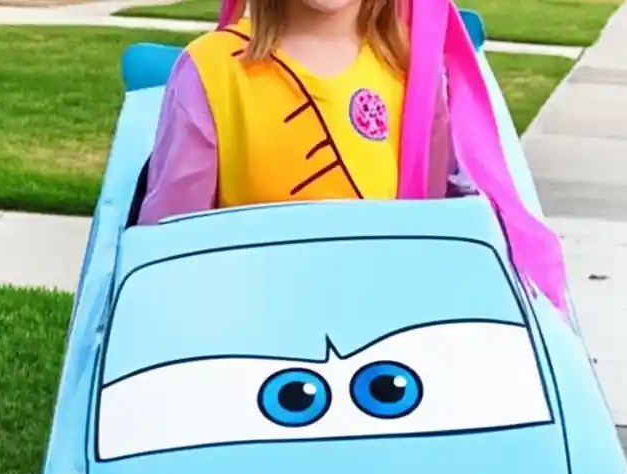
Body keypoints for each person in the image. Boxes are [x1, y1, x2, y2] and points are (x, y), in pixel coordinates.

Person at [138, 0, 570, 315]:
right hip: (253, 328)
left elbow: (437, 217)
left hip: (386, 326)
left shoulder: (411, 70)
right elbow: (170, 243)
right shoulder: (212, 69)